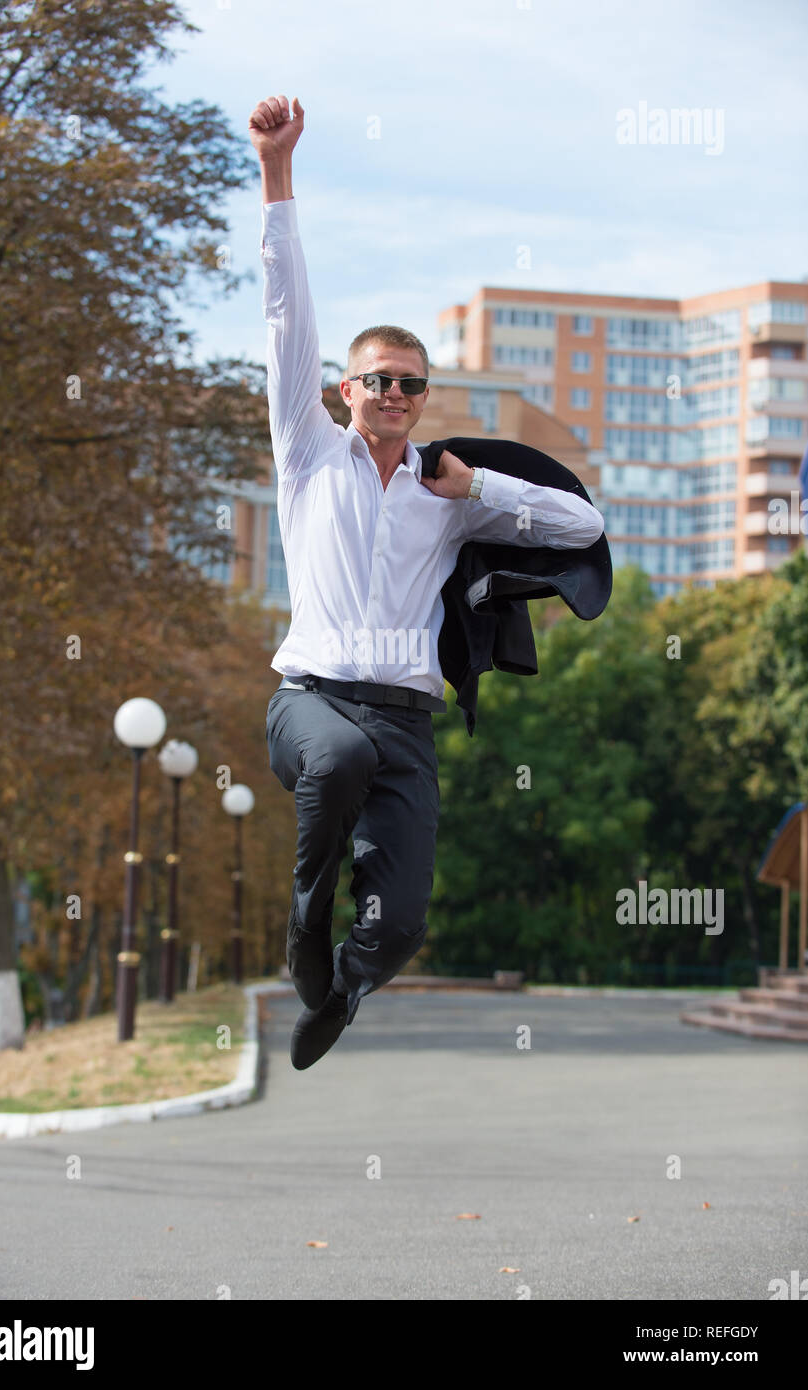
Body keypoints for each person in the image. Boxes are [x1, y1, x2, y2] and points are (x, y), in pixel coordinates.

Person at [249, 94, 604, 1070]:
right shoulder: (307, 454)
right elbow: (285, 312)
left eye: (411, 381)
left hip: (404, 719)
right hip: (309, 704)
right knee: (339, 763)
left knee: (402, 921)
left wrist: (480, 484)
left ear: (423, 396)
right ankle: (304, 922)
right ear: (344, 390)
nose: (395, 393)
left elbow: (585, 523)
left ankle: (348, 984)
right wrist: (278, 173)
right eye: (378, 379)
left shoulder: (448, 496)